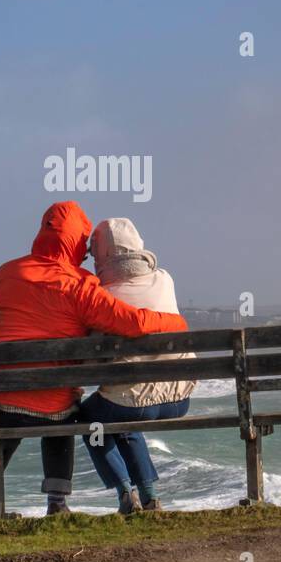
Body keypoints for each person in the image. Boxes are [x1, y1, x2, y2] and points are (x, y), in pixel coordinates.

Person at [0, 201, 188, 516]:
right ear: (77, 244)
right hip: (53, 406)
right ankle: (57, 504)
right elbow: (134, 322)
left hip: (0, 401)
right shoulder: (82, 286)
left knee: (8, 417)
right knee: (64, 414)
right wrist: (177, 325)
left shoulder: (6, 273)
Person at [79, 218, 194, 514]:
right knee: (124, 407)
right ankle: (150, 496)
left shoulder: (104, 299)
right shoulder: (165, 280)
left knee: (91, 418)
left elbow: (90, 360)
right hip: (179, 400)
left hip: (131, 403)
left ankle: (126, 493)